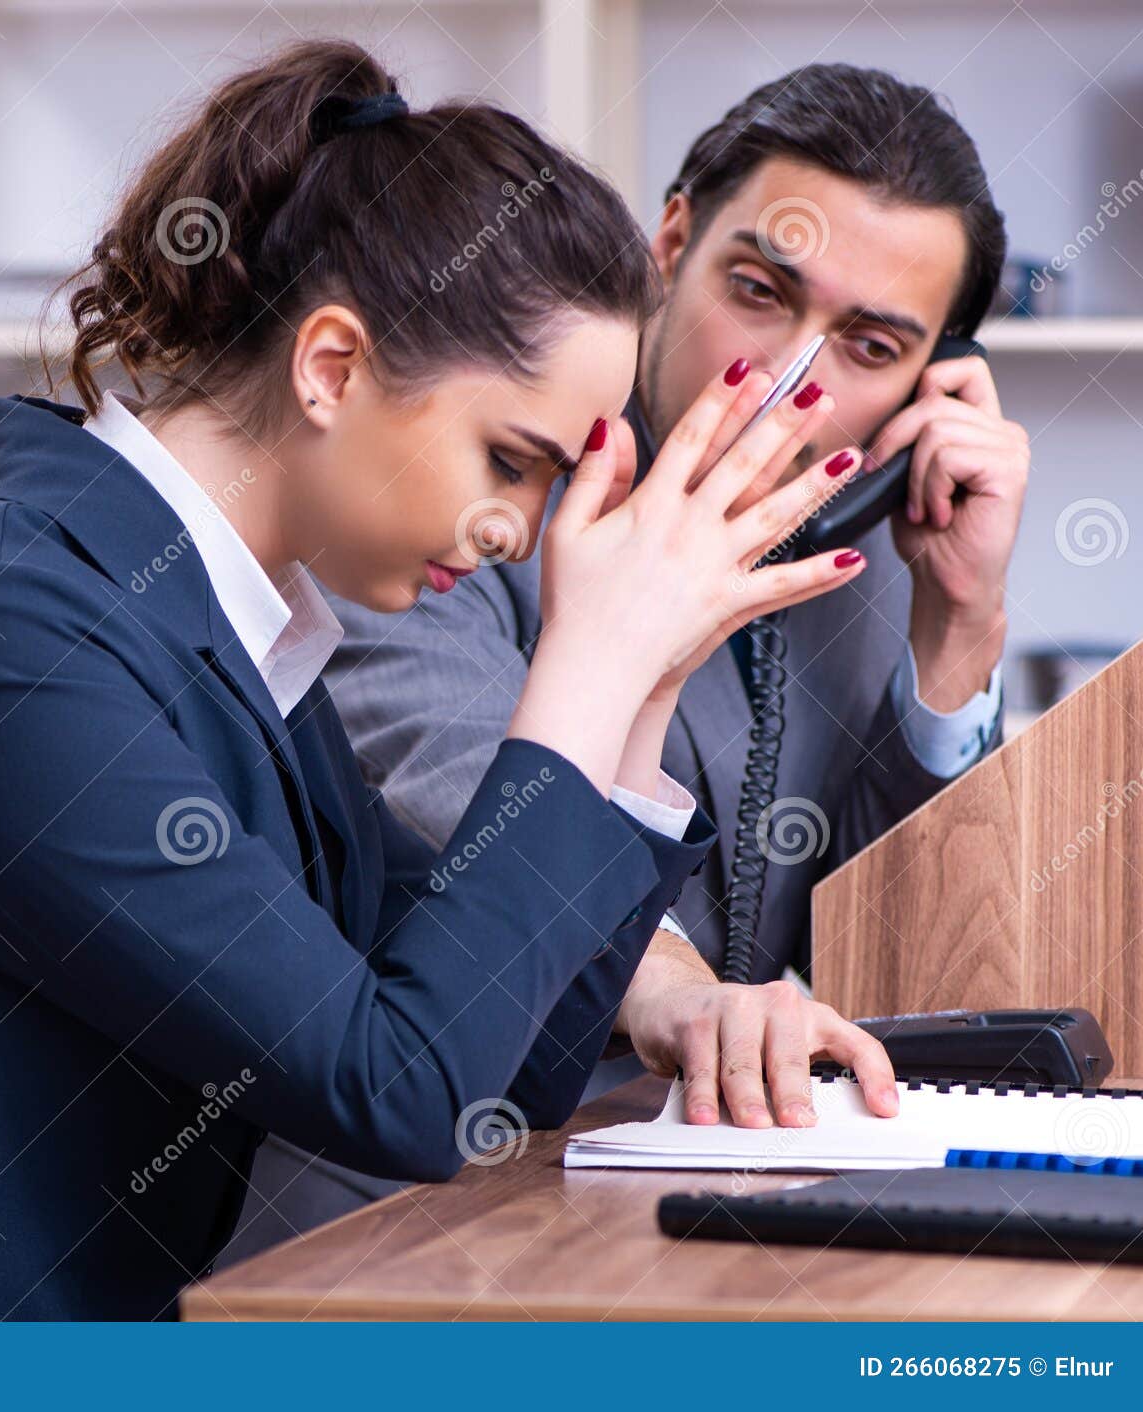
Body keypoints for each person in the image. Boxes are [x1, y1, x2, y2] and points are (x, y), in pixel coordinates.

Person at [0, 40, 894, 1323]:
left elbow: (486, 1069)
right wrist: (590, 662)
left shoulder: (249, 641)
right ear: (332, 367)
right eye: (510, 461)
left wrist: (639, 697)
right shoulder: (2, 634)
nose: (521, 528)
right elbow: (395, 1087)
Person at [233, 63, 1025, 1252]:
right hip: (394, 1227)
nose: (793, 381)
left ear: (930, 382)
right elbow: (441, 770)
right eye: (758, 291)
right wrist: (666, 984)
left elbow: (898, 965)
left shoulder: (863, 562)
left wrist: (958, 626)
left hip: (706, 1221)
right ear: (670, 243)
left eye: (869, 347)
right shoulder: (469, 489)